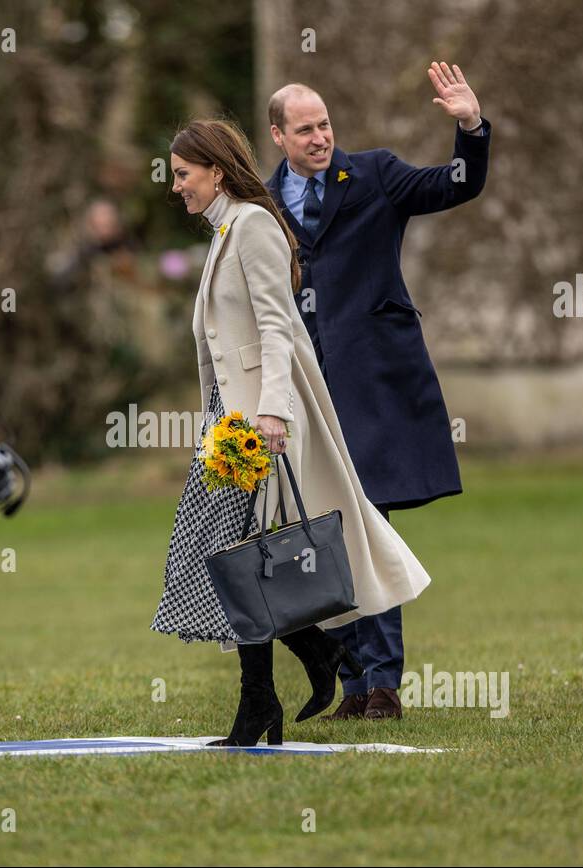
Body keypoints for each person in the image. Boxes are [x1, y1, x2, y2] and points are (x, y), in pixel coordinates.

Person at [150, 119, 430, 746]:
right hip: (230, 421)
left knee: (237, 553)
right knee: (231, 554)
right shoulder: (227, 228)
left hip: (258, 420)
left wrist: (272, 412)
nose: (177, 187)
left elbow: (277, 328)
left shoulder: (252, 227)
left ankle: (269, 699)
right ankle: (312, 657)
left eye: (184, 174)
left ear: (215, 171)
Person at [265, 64, 491, 720]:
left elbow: (456, 186)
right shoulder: (265, 208)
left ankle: (381, 685)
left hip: (376, 383)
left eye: (325, 124)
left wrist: (470, 128)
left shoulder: (374, 174)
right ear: (279, 135)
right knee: (324, 533)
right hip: (308, 390)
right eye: (304, 129)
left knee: (368, 520)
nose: (320, 137)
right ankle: (356, 681)